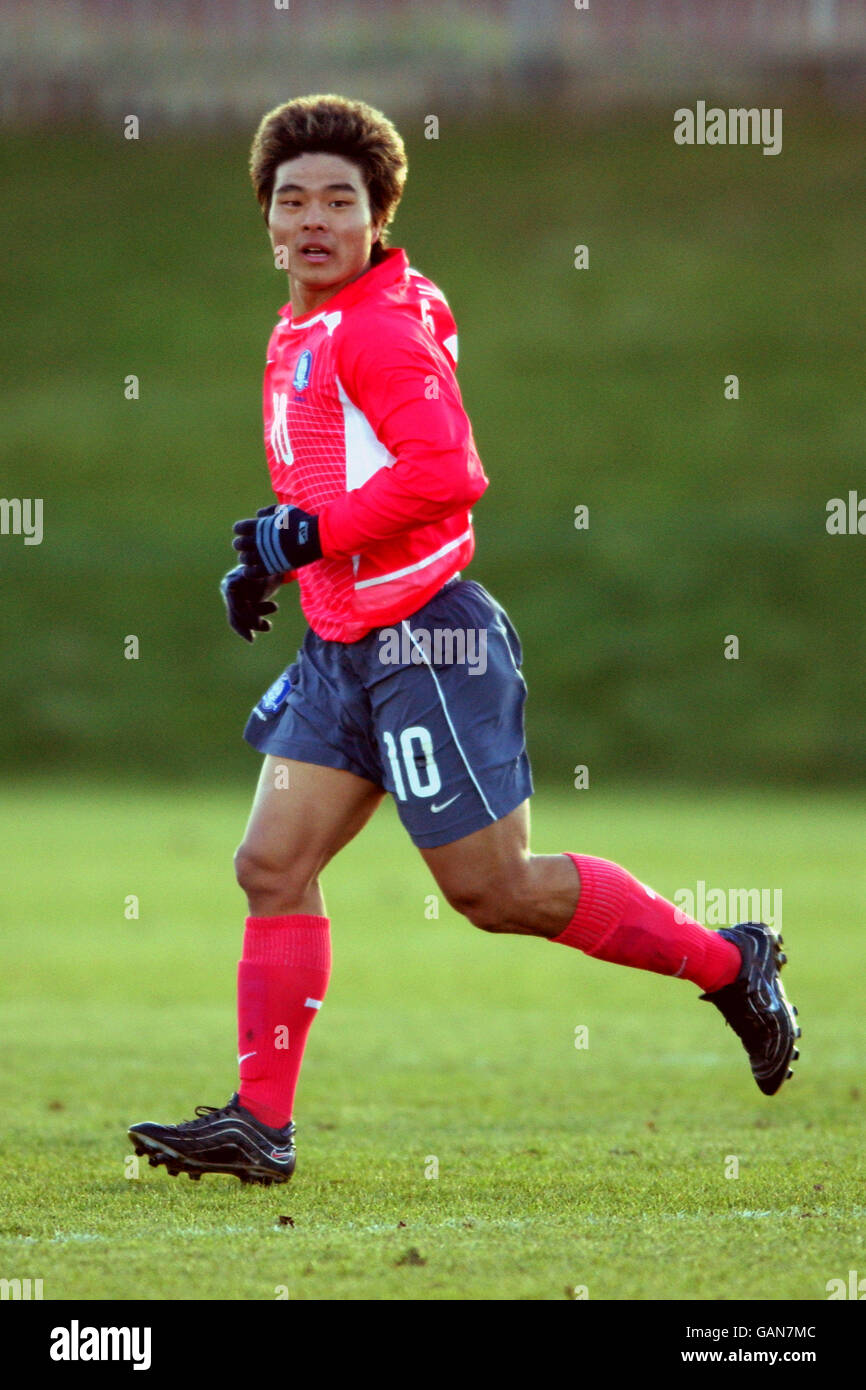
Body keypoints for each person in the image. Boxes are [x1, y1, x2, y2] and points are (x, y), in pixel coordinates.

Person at [128, 94, 800, 1186]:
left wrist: (309, 531)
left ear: (377, 212)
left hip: (424, 643)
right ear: (264, 216)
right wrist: (273, 552)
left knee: (493, 893)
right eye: (289, 199)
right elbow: (331, 480)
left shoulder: (374, 326)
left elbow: (445, 474)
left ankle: (730, 964)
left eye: (336, 200)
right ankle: (261, 1121)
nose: (310, 219)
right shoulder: (306, 319)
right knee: (271, 864)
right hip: (343, 639)